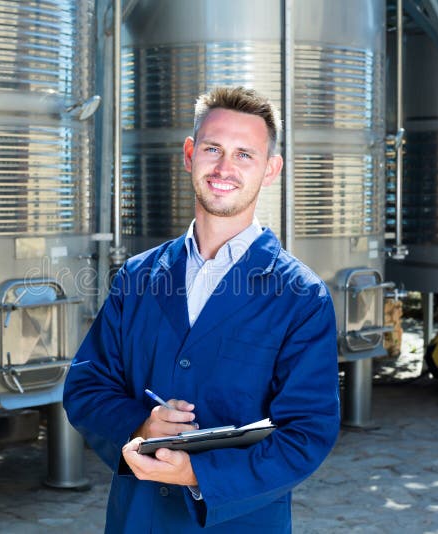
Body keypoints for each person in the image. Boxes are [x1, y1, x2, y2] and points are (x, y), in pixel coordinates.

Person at [63, 86, 340, 533]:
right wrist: (141, 425)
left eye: (244, 155)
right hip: (139, 520)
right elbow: (86, 386)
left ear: (271, 170)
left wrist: (198, 474)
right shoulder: (137, 276)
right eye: (213, 149)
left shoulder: (300, 296)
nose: (225, 168)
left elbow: (306, 434)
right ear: (190, 154)